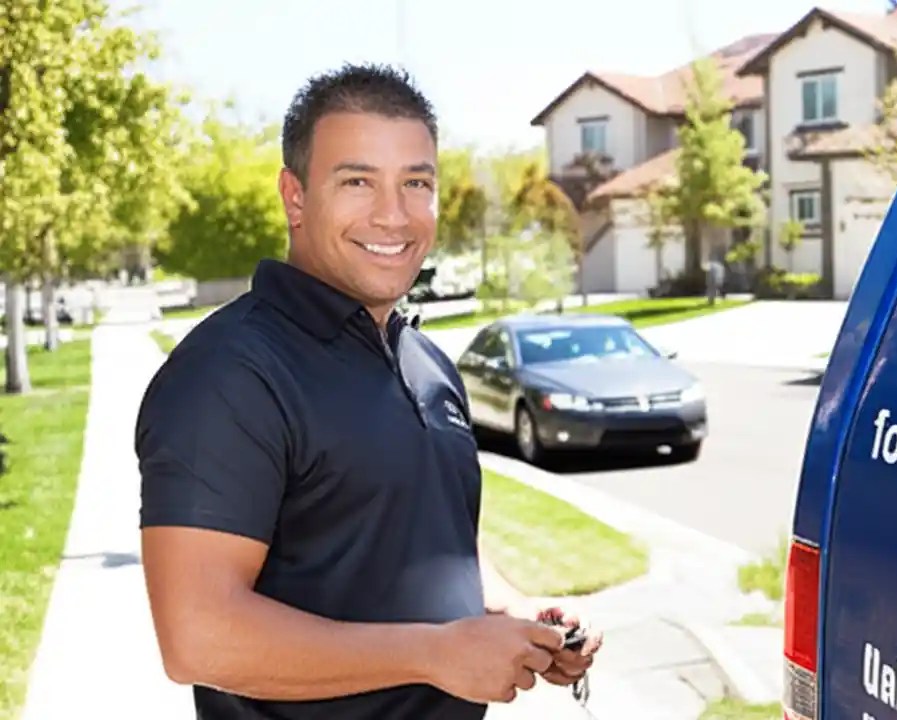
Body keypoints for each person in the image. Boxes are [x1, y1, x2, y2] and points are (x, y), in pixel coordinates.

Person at [134, 63, 602, 720]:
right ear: (295, 198)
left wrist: (510, 610)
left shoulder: (428, 364)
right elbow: (198, 637)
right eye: (357, 181)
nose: (394, 214)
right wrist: (434, 653)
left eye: (417, 182)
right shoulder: (230, 372)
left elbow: (429, 539)